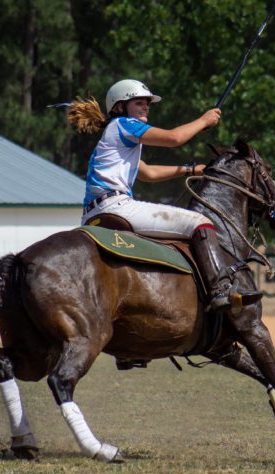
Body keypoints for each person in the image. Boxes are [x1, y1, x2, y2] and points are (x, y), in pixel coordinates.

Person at [66, 78, 263, 313]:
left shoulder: (115, 137)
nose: (145, 107)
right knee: (200, 222)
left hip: (93, 215)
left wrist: (190, 170)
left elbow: (148, 172)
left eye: (147, 103)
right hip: (116, 206)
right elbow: (174, 138)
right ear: (119, 107)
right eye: (139, 102)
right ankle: (220, 290)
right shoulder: (125, 125)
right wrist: (204, 120)